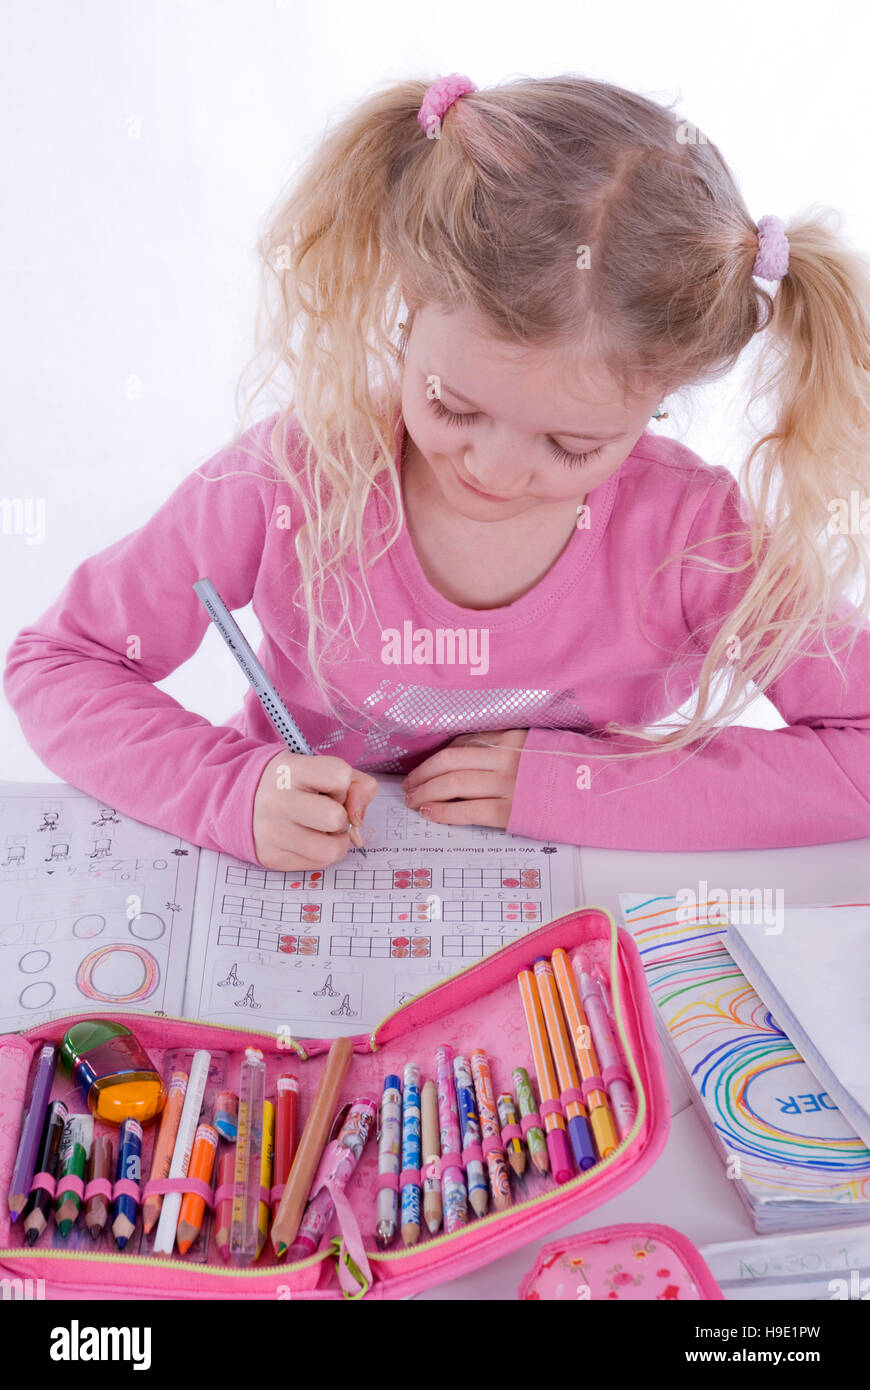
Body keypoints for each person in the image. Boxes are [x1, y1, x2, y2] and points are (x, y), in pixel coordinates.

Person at [6, 72, 870, 869]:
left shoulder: (694, 534)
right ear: (407, 308)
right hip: (316, 901)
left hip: (575, 924)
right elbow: (60, 664)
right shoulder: (295, 479)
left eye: (571, 446)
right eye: (454, 405)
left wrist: (579, 786)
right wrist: (227, 789)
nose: (491, 469)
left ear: (661, 401)